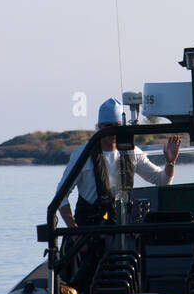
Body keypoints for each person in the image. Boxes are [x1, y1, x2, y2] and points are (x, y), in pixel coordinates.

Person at [57, 98, 182, 229]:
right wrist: (74, 231)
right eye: (108, 127)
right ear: (100, 127)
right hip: (89, 231)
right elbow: (61, 195)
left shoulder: (133, 152)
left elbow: (162, 181)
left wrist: (170, 162)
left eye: (117, 126)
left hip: (124, 228)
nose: (113, 132)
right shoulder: (82, 154)